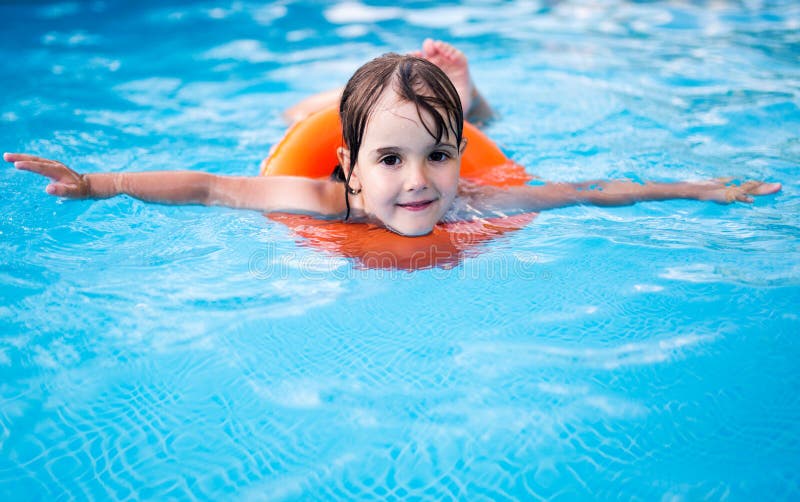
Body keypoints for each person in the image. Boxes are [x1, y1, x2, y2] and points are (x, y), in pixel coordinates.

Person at [4, 40, 781, 238]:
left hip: (448, 129)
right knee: (297, 122)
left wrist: (708, 188)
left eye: (439, 156)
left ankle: (471, 107)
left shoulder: (473, 197)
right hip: (319, 140)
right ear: (348, 168)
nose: (420, 181)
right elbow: (210, 185)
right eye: (390, 160)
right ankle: (444, 103)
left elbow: (596, 191)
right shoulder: (321, 199)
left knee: (470, 135)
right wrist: (96, 182)